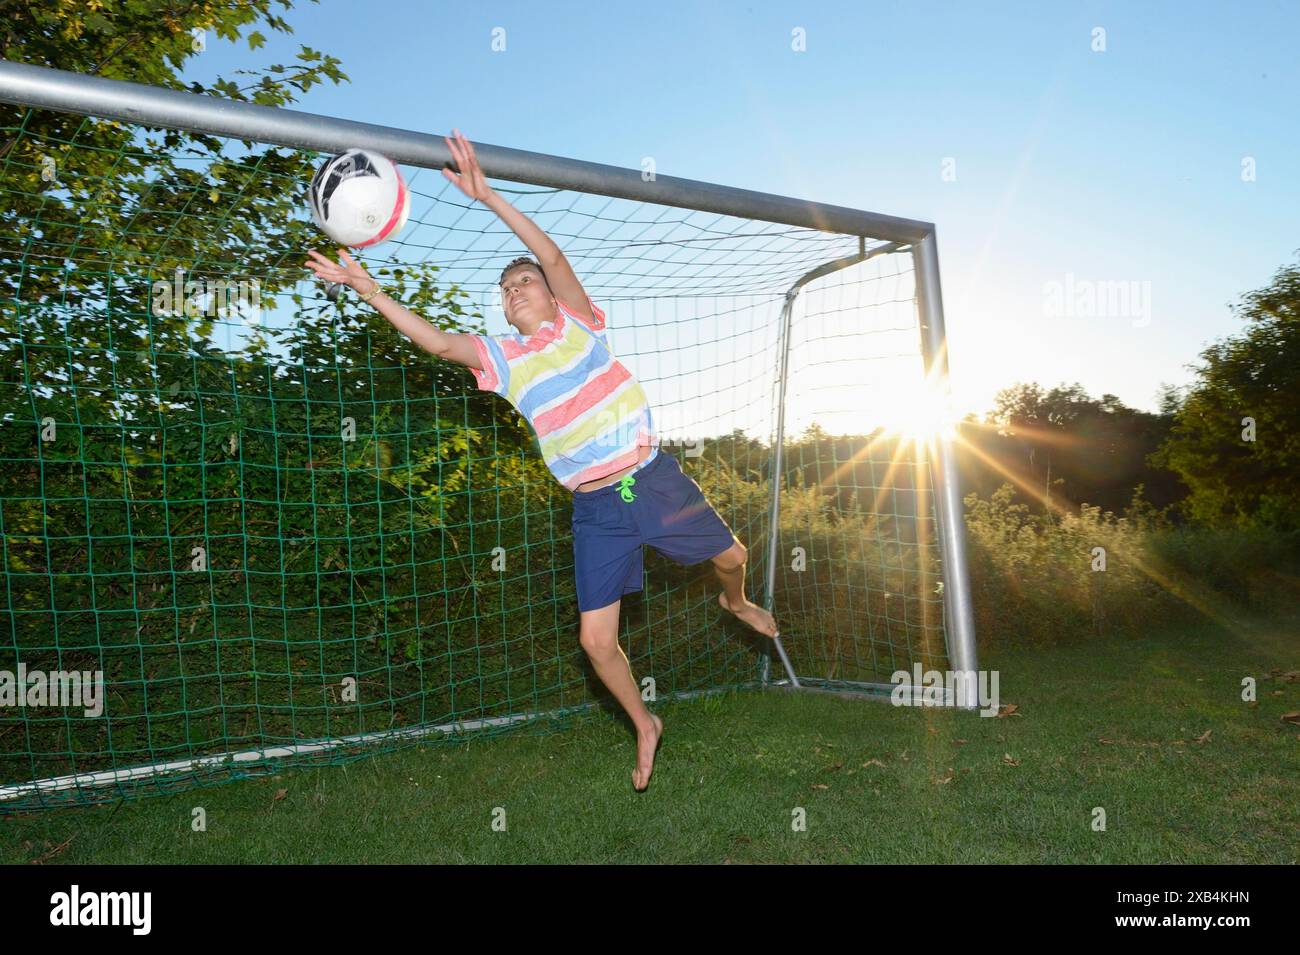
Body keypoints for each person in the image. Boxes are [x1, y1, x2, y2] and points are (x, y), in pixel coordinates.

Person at [305, 130, 778, 792]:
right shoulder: (504, 360)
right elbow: (439, 343)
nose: (516, 290)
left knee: (732, 556)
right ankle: (644, 722)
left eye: (525, 281)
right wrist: (369, 289)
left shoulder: (581, 322)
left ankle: (737, 601)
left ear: (554, 296)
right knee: (593, 641)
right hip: (596, 507)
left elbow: (551, 252)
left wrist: (487, 195)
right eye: (506, 289)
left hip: (651, 480)